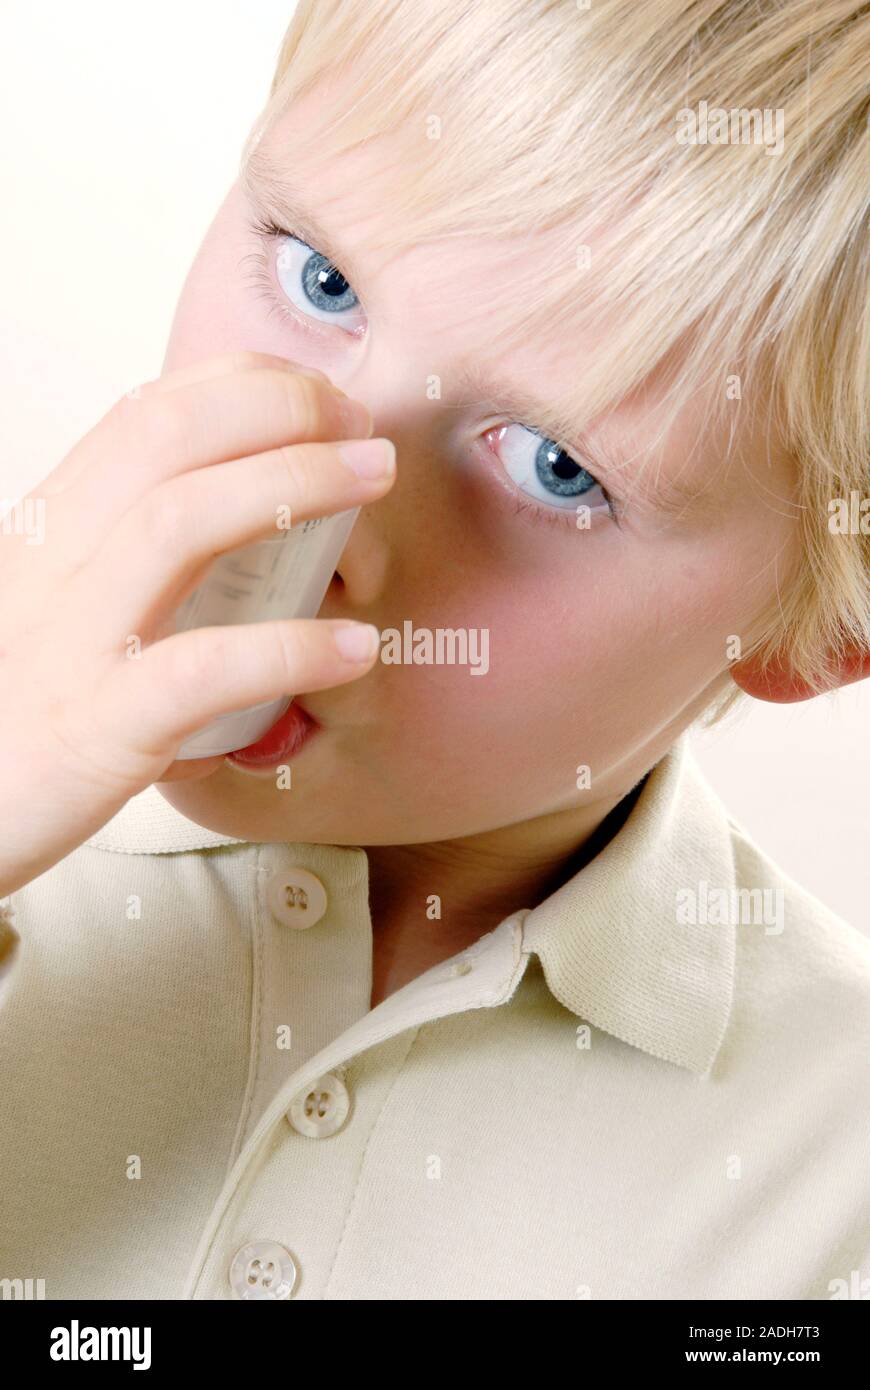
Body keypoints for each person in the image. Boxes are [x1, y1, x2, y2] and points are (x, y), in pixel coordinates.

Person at [1, 0, 868, 1300]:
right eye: (321, 279)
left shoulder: (829, 1160)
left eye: (555, 466)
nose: (314, 512)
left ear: (817, 632)